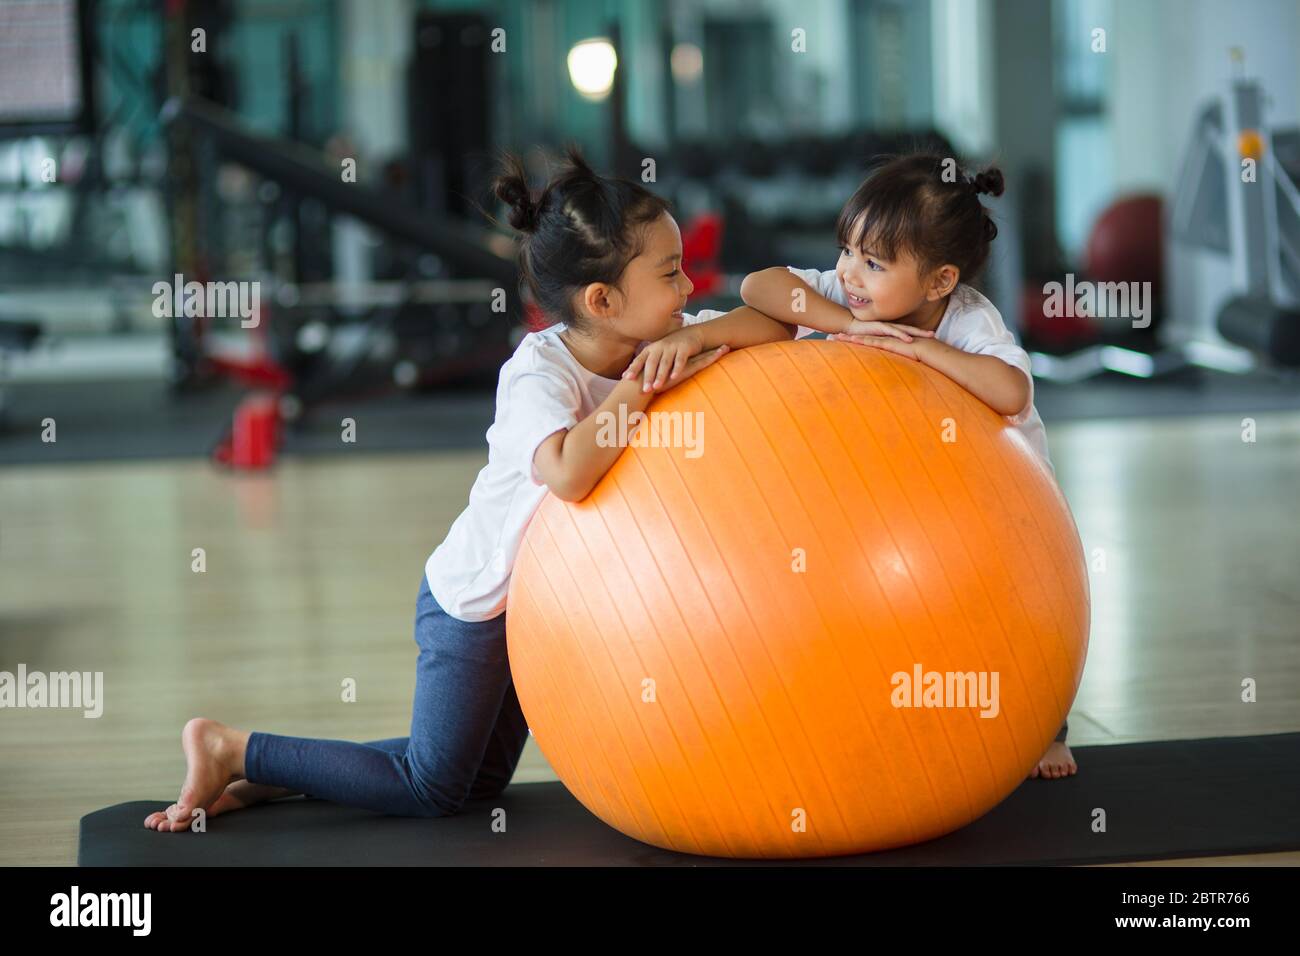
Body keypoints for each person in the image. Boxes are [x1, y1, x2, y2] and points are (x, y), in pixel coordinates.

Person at [145, 147, 793, 831]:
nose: (689, 288)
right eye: (671, 273)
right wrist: (641, 386)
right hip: (475, 607)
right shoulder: (537, 374)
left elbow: (776, 326)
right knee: (435, 788)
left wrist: (704, 339)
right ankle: (233, 748)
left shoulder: (660, 333)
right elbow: (569, 472)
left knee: (473, 781)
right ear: (602, 300)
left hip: (538, 612)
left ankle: (265, 779)